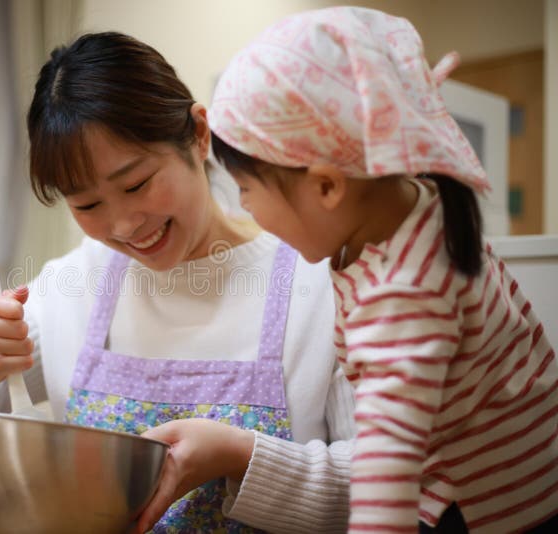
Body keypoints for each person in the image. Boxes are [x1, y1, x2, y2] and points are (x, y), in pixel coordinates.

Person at [0, 31, 357, 532]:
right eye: (86, 205)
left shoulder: (319, 281)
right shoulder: (80, 282)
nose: (123, 226)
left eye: (136, 184)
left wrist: (240, 455)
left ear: (199, 135)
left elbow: (390, 483)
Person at [208, 6, 558, 534]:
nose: (245, 210)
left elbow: (384, 479)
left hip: (496, 506)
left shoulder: (403, 295)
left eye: (248, 190)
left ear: (327, 186)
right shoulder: (411, 199)